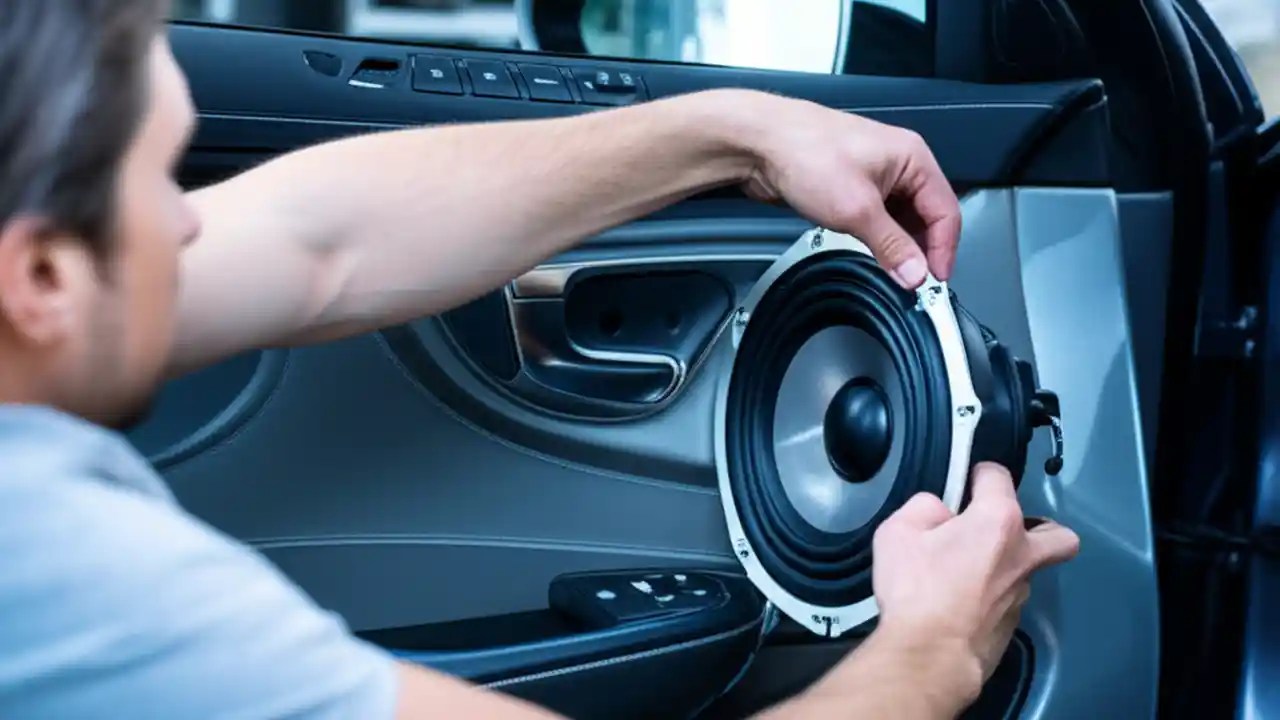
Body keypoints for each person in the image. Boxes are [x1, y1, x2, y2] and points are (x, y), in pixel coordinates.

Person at [0, 1, 1081, 718]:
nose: (195, 226)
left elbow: (318, 246)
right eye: (159, 188)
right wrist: (934, 651)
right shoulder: (52, 562)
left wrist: (732, 132)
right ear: (42, 277)